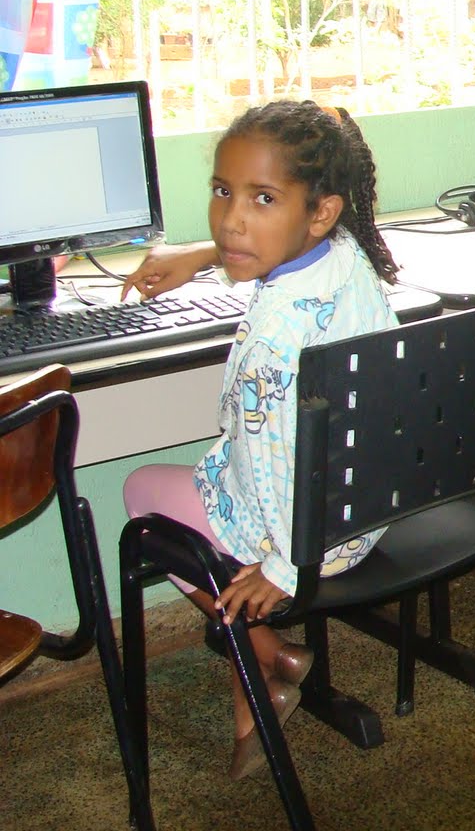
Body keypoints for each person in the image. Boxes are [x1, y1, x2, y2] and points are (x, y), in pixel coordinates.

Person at [120, 101, 400, 779]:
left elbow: (275, 467)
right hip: (366, 507)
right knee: (218, 471)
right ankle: (267, 665)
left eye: (262, 199)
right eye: (223, 192)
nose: (231, 221)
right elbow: (279, 240)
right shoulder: (345, 253)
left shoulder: (274, 347)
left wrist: (282, 568)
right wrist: (201, 256)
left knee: (142, 493)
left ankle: (261, 659)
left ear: (320, 211)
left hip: (307, 541)